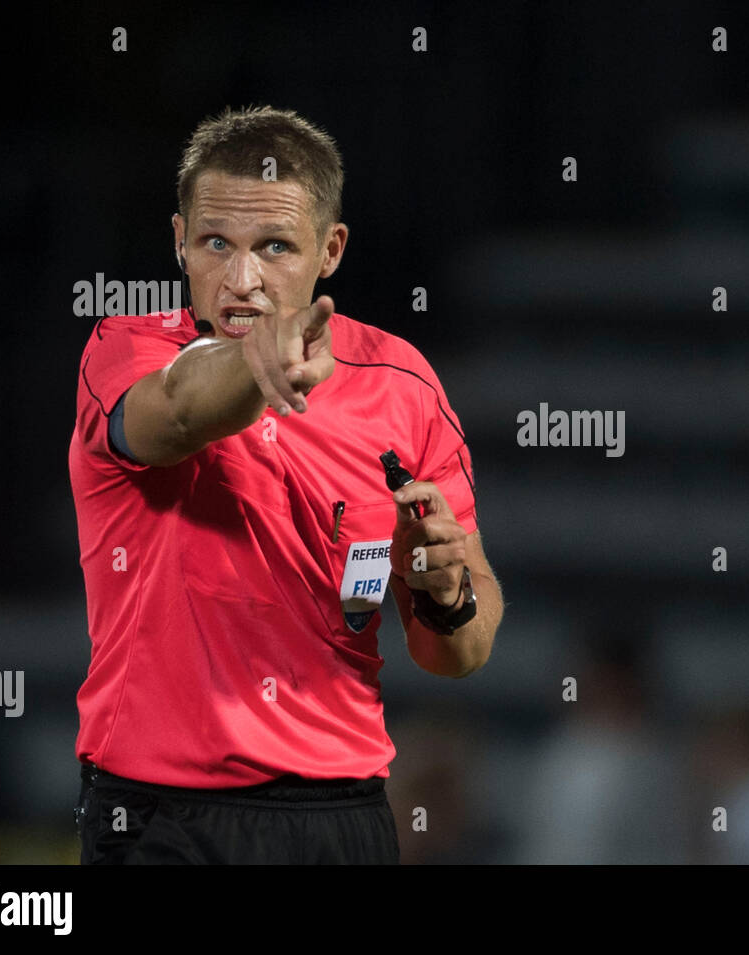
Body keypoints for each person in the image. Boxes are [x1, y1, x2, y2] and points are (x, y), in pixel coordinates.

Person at [67, 105, 503, 864]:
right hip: (160, 821)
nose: (243, 279)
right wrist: (255, 360)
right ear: (178, 241)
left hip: (340, 818)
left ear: (330, 250)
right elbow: (175, 409)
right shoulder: (123, 349)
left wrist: (446, 591)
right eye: (215, 243)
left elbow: (458, 651)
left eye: (274, 247)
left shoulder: (402, 386)